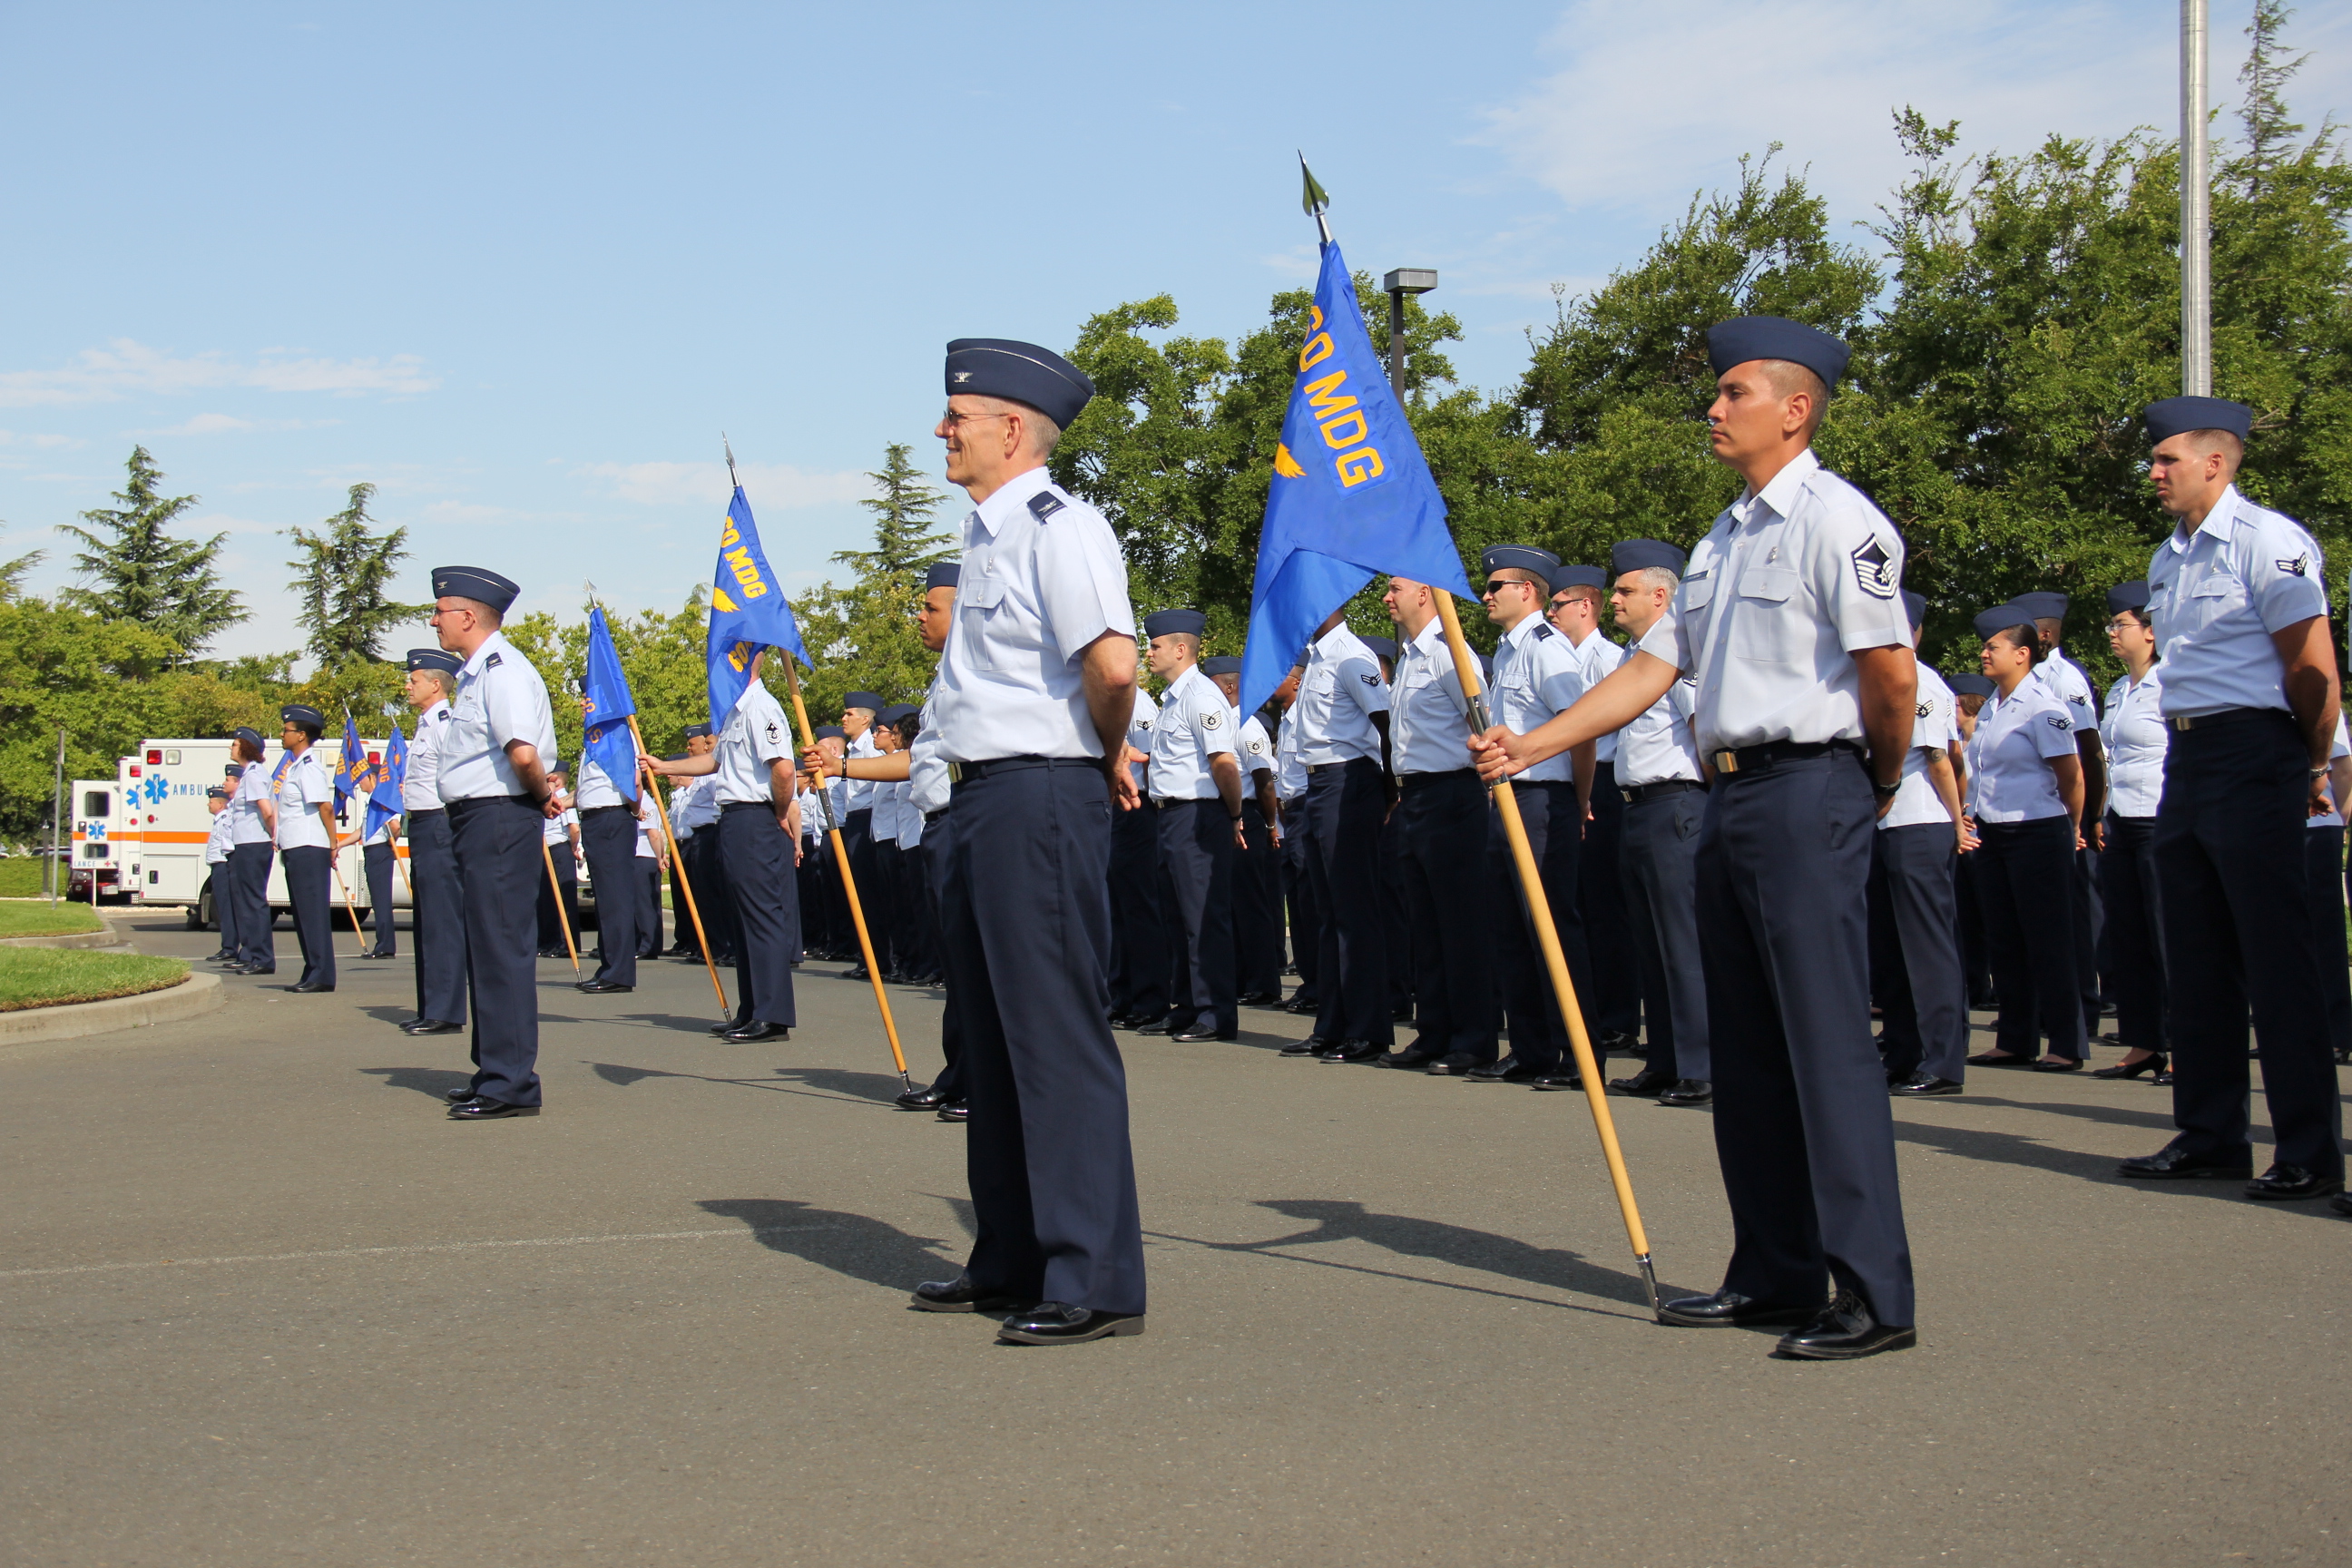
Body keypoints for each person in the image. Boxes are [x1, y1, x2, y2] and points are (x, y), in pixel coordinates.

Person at [1473, 315, 1919, 1359]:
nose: (1714, 410)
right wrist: (1527, 742)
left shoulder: (1839, 522)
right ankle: (1771, 1271)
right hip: (1731, 797)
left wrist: (1876, 780)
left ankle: (1872, 1293)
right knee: (1751, 1050)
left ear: (1795, 410)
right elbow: (1647, 673)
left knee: (1822, 1045)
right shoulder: (1722, 538)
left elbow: (1889, 675)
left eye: (1735, 395)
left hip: (1812, 785)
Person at [907, 336, 1146, 1345]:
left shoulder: (1062, 527)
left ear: (1011, 428)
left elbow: (1116, 668)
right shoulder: (984, 537)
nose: (941, 430)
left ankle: (1089, 1275)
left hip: (1039, 793)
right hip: (978, 801)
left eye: (957, 418)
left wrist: (1101, 757)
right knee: (995, 1040)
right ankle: (1010, 1256)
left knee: (1052, 1035)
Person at [2119, 396, 2344, 1200]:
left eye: (2166, 459)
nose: (2153, 472)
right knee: (2199, 954)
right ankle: (2210, 1135)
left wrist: (2312, 760)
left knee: (2276, 959)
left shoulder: (2268, 542)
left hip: (2258, 751)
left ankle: (2309, 1149)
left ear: (2216, 461)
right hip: (2191, 752)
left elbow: (2313, 667)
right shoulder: (2167, 559)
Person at [430, 565, 560, 1122]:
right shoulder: (478, 673)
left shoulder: (503, 671)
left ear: (467, 616)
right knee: (486, 945)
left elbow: (524, 755)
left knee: (502, 946)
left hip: (500, 817)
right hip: (483, 817)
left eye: (440, 611)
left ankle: (511, 1083)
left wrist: (539, 798)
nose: (434, 621)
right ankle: (493, 1069)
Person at [1596, 540, 1712, 1105]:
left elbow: (1703, 734)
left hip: (1676, 805)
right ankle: (1665, 1059)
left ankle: (1701, 1065)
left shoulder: (1680, 659)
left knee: (1682, 942)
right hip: (1637, 807)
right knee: (1651, 942)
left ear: (1661, 596)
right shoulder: (1631, 657)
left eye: (1624, 590)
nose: (1613, 599)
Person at [1479, 544, 1598, 1087]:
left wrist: (1580, 799)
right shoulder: (1507, 651)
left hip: (1541, 799)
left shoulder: (1546, 649)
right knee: (1508, 927)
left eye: (1495, 586)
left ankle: (1578, 1053)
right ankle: (1532, 1048)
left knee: (1550, 927)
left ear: (1527, 591)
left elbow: (1579, 725)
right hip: (1506, 798)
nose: (1485, 595)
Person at [1377, 574, 1495, 1073]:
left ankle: (1473, 1040)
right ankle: (1435, 1033)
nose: (1387, 597)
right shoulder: (1409, 659)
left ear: (1424, 593)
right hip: (1416, 799)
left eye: (1395, 588)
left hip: (1453, 795)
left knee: (1460, 923)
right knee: (1425, 924)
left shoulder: (1451, 655)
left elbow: (1482, 724)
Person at [649, 654, 799, 1043]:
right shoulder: (735, 711)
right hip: (732, 818)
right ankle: (751, 1010)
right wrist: (664, 766)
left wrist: (780, 813)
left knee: (761, 915)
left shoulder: (762, 707)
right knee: (742, 917)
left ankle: (772, 1014)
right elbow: (715, 761)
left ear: (746, 663)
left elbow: (783, 768)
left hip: (756, 817)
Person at [1962, 614, 2087, 1070]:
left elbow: (2071, 775)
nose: (1984, 653)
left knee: (2048, 938)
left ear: (2023, 654)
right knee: (2005, 937)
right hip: (1993, 831)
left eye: (1993, 646)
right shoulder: (1993, 705)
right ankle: (2015, 1038)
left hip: (2037, 827)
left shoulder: (2044, 706)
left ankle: (2066, 1042)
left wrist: (2072, 825)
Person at [1871, 591, 1971, 1096]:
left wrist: (1957, 822)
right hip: (1884, 827)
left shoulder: (1922, 679)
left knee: (1927, 949)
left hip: (1917, 822)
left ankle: (1941, 1059)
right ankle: (1905, 1051)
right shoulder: (1874, 675)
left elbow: (1938, 759)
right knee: (1891, 951)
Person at [1285, 611, 1395, 1063]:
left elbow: (1387, 724)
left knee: (1354, 912)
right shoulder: (1317, 660)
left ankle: (1367, 1030)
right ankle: (1331, 1025)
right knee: (1326, 911)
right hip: (1319, 785)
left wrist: (1388, 794)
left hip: (1350, 782)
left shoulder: (1351, 656)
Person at [1547, 563, 1641, 1054]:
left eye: (1558, 604)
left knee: (1607, 904)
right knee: (1576, 900)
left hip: (1602, 780)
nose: (1551, 613)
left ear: (1585, 605)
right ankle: (1586, 1011)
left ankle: (1620, 1014)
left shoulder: (1612, 658)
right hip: (1566, 781)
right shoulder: (1553, 652)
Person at [1138, 609, 1243, 1044]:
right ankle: (1186, 1004)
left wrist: (1234, 814)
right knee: (1176, 915)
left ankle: (1215, 1012)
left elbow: (1223, 762)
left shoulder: (1201, 695)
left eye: (1156, 645)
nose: (1149, 653)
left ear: (1181, 650)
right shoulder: (1173, 700)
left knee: (1203, 916)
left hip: (1198, 815)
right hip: (1169, 816)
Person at [2092, 583, 2168, 1080]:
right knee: (2130, 937)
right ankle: (2146, 1042)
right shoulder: (2120, 690)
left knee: (2169, 937)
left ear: (2151, 631)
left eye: (2121, 624)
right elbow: (2108, 758)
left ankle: (2186, 1042)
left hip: (2162, 817)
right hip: (2121, 819)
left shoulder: (2172, 682)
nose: (2112, 634)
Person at [1205, 656, 1285, 1005]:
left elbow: (1264, 780)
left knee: (1252, 903)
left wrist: (1269, 826)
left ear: (1229, 687)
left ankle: (1263, 981)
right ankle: (1241, 977)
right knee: (1234, 901)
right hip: (1229, 816)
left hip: (1249, 817)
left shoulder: (1246, 724)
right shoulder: (1223, 722)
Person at [400, 647, 467, 1037]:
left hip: (440, 824)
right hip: (422, 826)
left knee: (442, 920)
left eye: (415, 680)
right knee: (426, 919)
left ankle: (445, 1010)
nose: (408, 686)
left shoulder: (444, 723)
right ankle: (431, 1005)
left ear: (436, 684)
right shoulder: (425, 724)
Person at [572, 699, 643, 995]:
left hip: (611, 819)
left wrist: (636, 811)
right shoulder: (594, 737)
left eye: (586, 699)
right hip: (596, 819)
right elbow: (588, 789)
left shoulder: (616, 733)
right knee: (606, 898)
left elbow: (634, 780)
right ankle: (609, 965)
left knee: (615, 899)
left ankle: (618, 972)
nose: (582, 705)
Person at [271, 704, 340, 994]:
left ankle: (322, 973)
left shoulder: (309, 767)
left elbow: (325, 807)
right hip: (296, 847)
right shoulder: (296, 766)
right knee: (302, 913)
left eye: (286, 730)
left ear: (301, 735)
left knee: (312, 913)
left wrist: (333, 842)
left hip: (310, 847)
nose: (282, 734)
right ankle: (312, 969)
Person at [838, 691, 887, 980]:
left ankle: (879, 959)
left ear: (866, 719)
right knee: (858, 892)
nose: (844, 718)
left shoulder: (872, 747)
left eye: (850, 714)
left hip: (868, 818)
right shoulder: (853, 748)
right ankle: (867, 955)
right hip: (853, 819)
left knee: (869, 894)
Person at [534, 764, 582, 960]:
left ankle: (567, 943)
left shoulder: (563, 796)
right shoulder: (546, 798)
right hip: (547, 850)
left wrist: (573, 847)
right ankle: (550, 941)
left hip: (561, 848)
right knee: (547, 898)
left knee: (564, 896)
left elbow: (574, 828)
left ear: (556, 779)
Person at [358, 756, 399, 961]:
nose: (359, 783)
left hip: (380, 851)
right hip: (371, 851)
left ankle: (385, 946)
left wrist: (393, 840)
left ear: (372, 778)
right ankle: (382, 943)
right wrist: (338, 844)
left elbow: (395, 826)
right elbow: (363, 831)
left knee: (382, 900)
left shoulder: (381, 800)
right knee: (377, 900)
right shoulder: (371, 802)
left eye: (362, 779)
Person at [201, 772, 238, 962]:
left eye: (212, 801)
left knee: (226, 909)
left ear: (221, 804)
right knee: (224, 909)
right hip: (218, 867)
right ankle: (228, 946)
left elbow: (227, 844)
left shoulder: (225, 819)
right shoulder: (219, 819)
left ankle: (230, 947)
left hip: (223, 866)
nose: (209, 804)